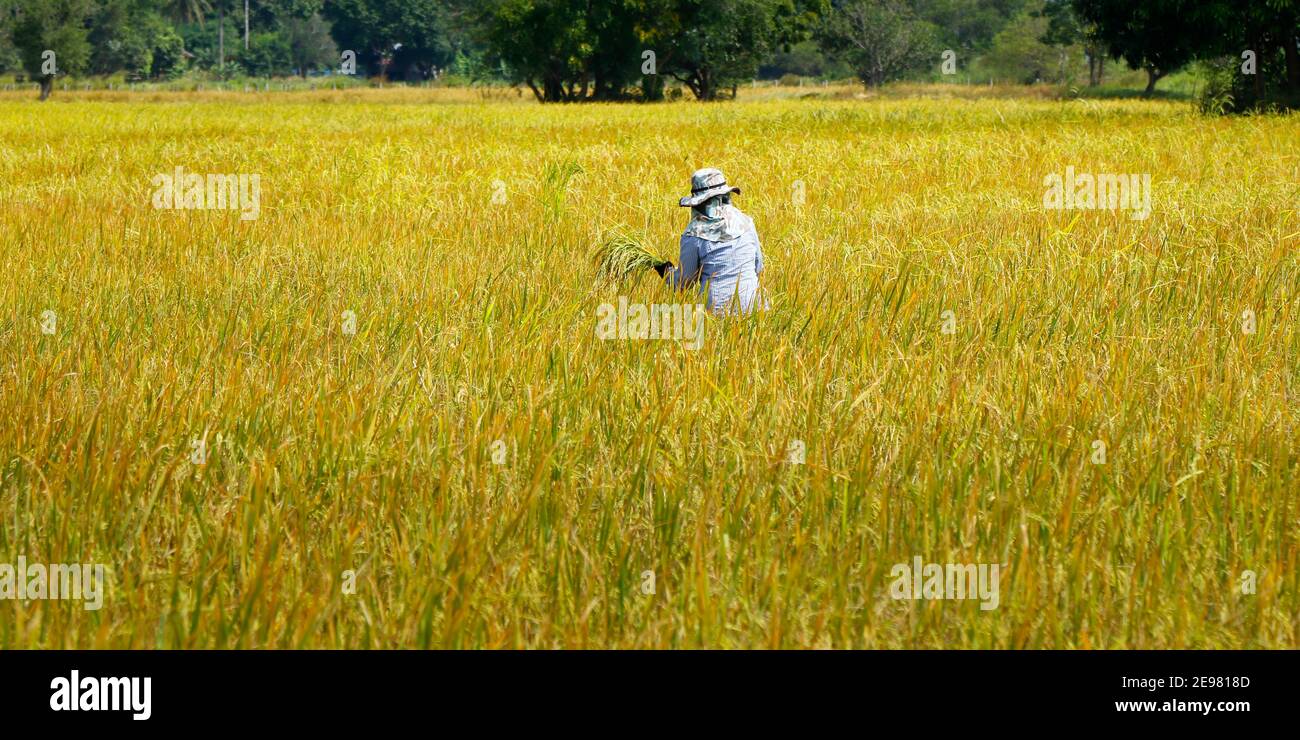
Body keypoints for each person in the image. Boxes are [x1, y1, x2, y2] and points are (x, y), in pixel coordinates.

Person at [655, 168, 766, 315]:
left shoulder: (694, 234)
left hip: (717, 312)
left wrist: (667, 274)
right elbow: (758, 267)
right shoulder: (746, 222)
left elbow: (684, 282)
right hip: (755, 308)